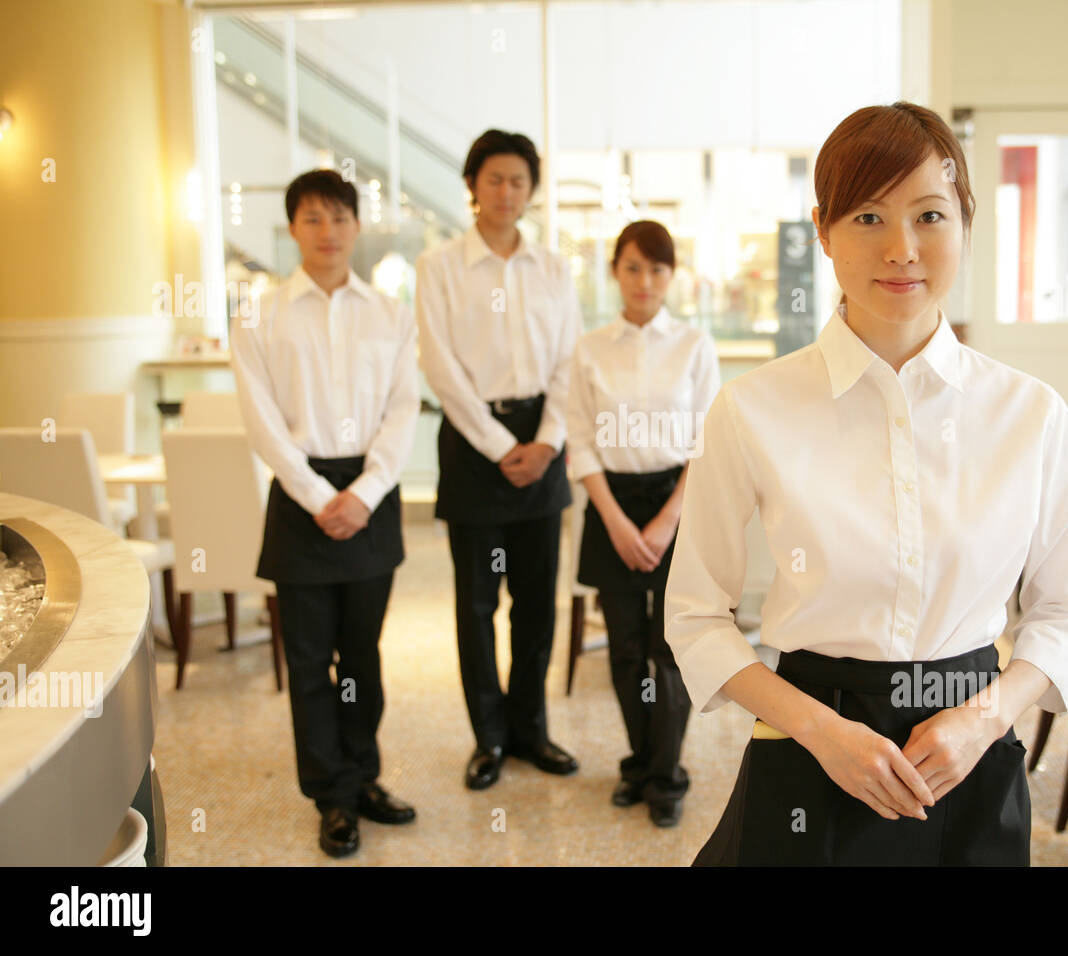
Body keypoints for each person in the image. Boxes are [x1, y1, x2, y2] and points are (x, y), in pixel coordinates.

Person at [664, 102, 1068, 865]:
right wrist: (820, 731)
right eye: (869, 217)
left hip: (969, 751)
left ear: (965, 221)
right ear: (823, 230)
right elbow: (696, 615)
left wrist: (987, 718)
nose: (902, 249)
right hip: (811, 744)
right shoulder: (751, 409)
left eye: (929, 215)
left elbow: (1066, 611)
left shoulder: (1030, 414)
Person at [232, 168, 421, 859]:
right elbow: (262, 425)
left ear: (357, 225)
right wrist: (319, 498)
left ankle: (363, 776)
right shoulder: (259, 316)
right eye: (312, 218)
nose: (328, 231)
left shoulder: (393, 316)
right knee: (310, 660)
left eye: (340, 217)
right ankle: (332, 797)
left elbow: (403, 414)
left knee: (362, 656)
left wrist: (364, 493)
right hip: (301, 496)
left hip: (370, 495)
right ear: (291, 229)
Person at [416, 130, 581, 791]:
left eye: (518, 181)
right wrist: (500, 444)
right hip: (474, 442)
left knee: (538, 602)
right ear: (472, 186)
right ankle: (488, 737)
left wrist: (545, 440)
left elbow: (571, 358)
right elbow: (440, 367)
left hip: (544, 440)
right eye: (494, 180)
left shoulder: (555, 267)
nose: (506, 192)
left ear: (531, 190)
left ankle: (531, 728)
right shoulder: (440, 267)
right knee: (477, 603)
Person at [566, 221, 720, 827]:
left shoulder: (693, 345)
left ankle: (668, 773)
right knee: (626, 649)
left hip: (677, 505)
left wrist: (662, 523)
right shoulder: (589, 348)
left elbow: (706, 442)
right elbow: (580, 440)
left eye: (657, 269)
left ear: (671, 276)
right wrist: (615, 521)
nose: (645, 281)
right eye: (633, 267)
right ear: (615, 272)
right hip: (611, 505)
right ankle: (638, 762)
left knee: (671, 648)